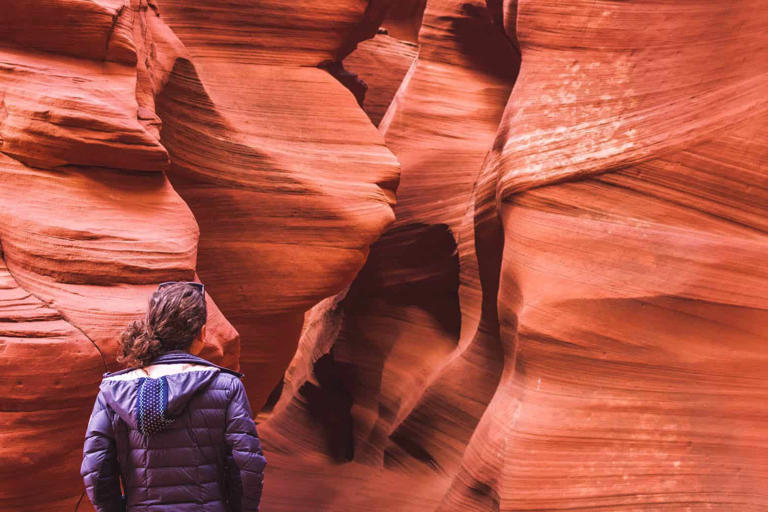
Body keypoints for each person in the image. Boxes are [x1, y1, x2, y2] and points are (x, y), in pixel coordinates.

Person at [80, 281, 266, 511]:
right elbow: (247, 467)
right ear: (202, 333)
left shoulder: (114, 391)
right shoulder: (226, 387)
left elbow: (96, 469)